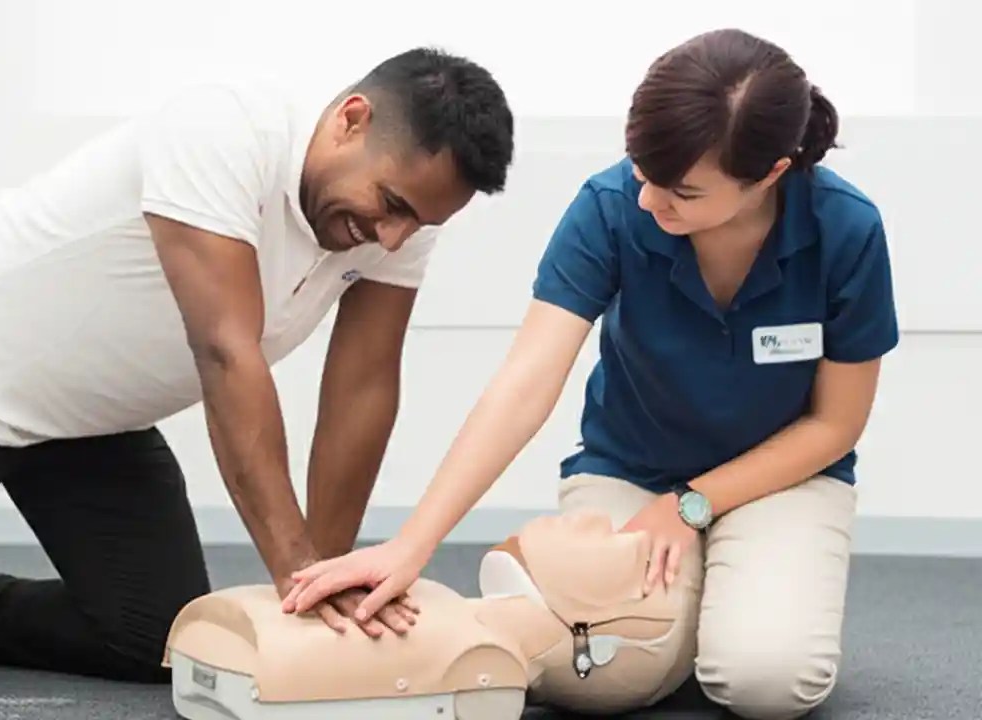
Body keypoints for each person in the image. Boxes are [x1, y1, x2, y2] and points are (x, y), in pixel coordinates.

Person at [0, 47, 515, 696]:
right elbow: (226, 352)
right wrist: (296, 573)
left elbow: (361, 387)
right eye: (390, 204)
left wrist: (331, 576)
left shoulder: (397, 228)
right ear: (351, 120)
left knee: (160, 640)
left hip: (85, 417)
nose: (390, 235)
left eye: (416, 221)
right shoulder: (225, 130)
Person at [285, 28, 898, 720]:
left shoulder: (846, 230)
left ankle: (703, 611)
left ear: (771, 175)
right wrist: (411, 544)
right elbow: (525, 385)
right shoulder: (609, 206)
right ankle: (676, 609)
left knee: (765, 683)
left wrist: (694, 505)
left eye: (682, 192)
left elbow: (836, 423)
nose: (647, 201)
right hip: (631, 473)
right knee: (592, 683)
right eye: (641, 171)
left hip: (781, 480)